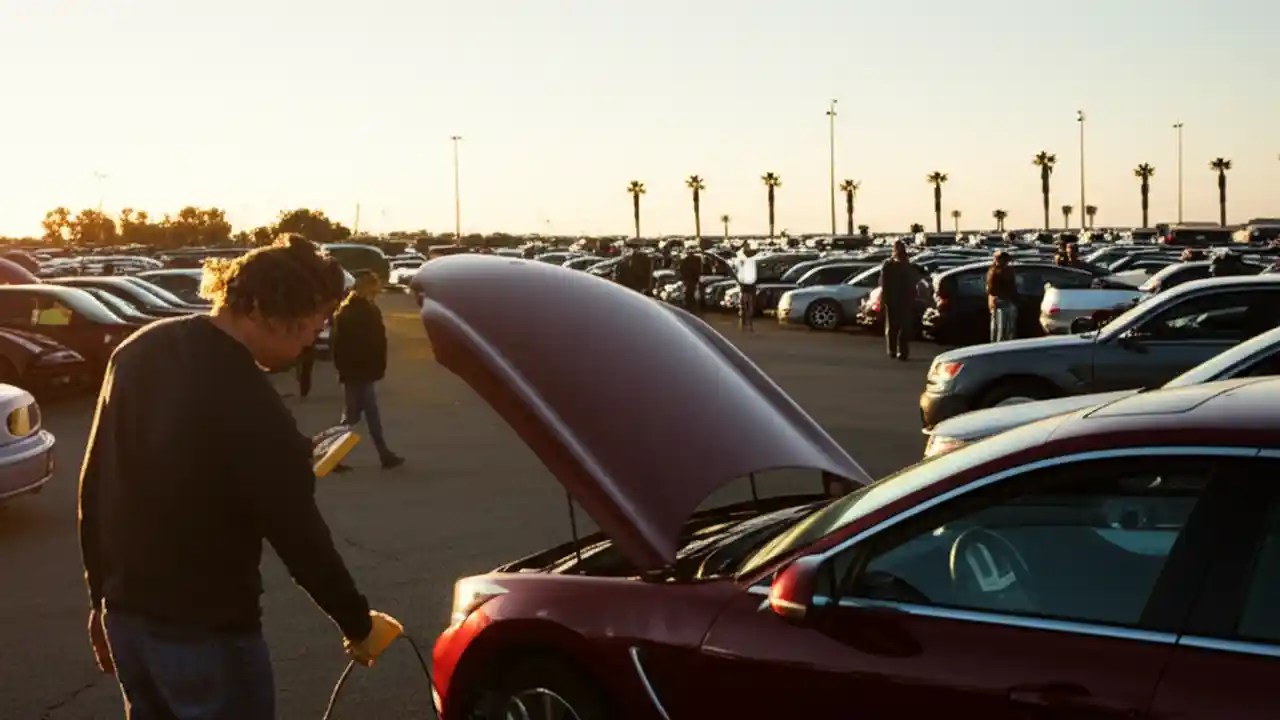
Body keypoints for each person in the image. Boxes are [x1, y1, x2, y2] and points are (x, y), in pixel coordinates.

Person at [79, 234, 400, 719]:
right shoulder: (250, 399)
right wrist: (356, 623)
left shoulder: (139, 350)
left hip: (127, 621)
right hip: (208, 637)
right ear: (264, 308)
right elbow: (298, 535)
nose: (311, 340)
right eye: (308, 327)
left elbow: (94, 484)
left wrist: (99, 601)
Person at [332, 271, 404, 469]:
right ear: (366, 286)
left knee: (359, 416)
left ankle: (382, 455)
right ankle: (334, 457)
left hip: (361, 370)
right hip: (358, 371)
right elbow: (343, 345)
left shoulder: (357, 309)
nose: (378, 288)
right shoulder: (355, 311)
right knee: (357, 417)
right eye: (375, 285)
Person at [879, 239, 917, 360]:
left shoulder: (907, 264)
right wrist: (884, 299)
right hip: (893, 300)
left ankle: (902, 351)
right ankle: (893, 350)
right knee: (893, 327)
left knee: (903, 327)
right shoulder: (888, 265)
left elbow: (912, 282)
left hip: (905, 300)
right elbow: (884, 284)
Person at [987, 251, 1019, 342]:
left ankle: (999, 343)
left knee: (1001, 327)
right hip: (1002, 302)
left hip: (1002, 302)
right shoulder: (996, 272)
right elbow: (991, 289)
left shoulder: (997, 271)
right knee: (1003, 328)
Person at [734, 244, 758, 331]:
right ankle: (747, 324)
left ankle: (747, 324)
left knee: (746, 306)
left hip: (747, 288)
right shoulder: (749, 261)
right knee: (746, 307)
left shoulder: (745, 262)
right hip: (748, 287)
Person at [679, 248, 703, 312]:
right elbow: (699, 269)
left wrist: (684, 277)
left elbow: (682, 268)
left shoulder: (686, 260)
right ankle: (691, 304)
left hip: (690, 278)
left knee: (689, 291)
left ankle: (690, 304)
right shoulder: (697, 259)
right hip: (692, 278)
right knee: (691, 291)